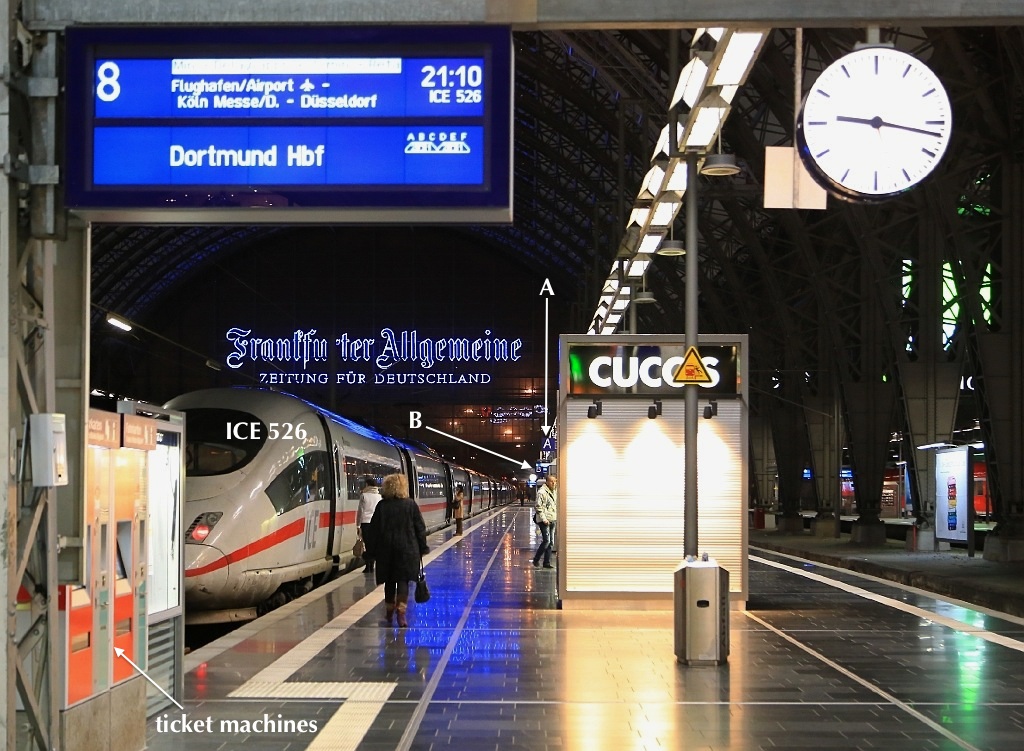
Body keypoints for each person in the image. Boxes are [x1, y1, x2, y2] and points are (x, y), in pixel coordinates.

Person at [368, 473, 429, 627]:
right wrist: (423, 547)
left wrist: (371, 551)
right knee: (403, 581)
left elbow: (373, 530)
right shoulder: (410, 505)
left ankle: (389, 612)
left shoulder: (382, 506)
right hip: (407, 550)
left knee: (389, 582)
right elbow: (420, 529)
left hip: (386, 550)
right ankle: (401, 615)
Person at [356, 476, 382, 573]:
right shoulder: (379, 496)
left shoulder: (364, 495)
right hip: (375, 523)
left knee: (367, 544)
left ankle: (368, 566)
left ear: (367, 485)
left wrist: (358, 525)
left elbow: (360, 512)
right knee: (373, 544)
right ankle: (373, 564)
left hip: (365, 523)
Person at [532, 474, 557, 569]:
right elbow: (538, 507)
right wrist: (544, 519)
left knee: (551, 543)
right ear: (547, 482)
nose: (554, 483)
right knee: (546, 541)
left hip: (552, 518)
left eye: (555, 481)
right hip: (544, 520)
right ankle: (536, 559)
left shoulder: (555, 491)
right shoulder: (542, 492)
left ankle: (546, 563)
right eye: (552, 481)